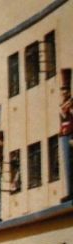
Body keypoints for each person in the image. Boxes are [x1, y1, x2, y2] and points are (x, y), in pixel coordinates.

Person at [60, 68, 72, 203]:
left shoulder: (70, 103)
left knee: (71, 163)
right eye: (62, 90)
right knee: (66, 163)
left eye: (66, 89)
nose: (64, 92)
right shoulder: (63, 105)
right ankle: (69, 191)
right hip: (64, 134)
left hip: (70, 134)